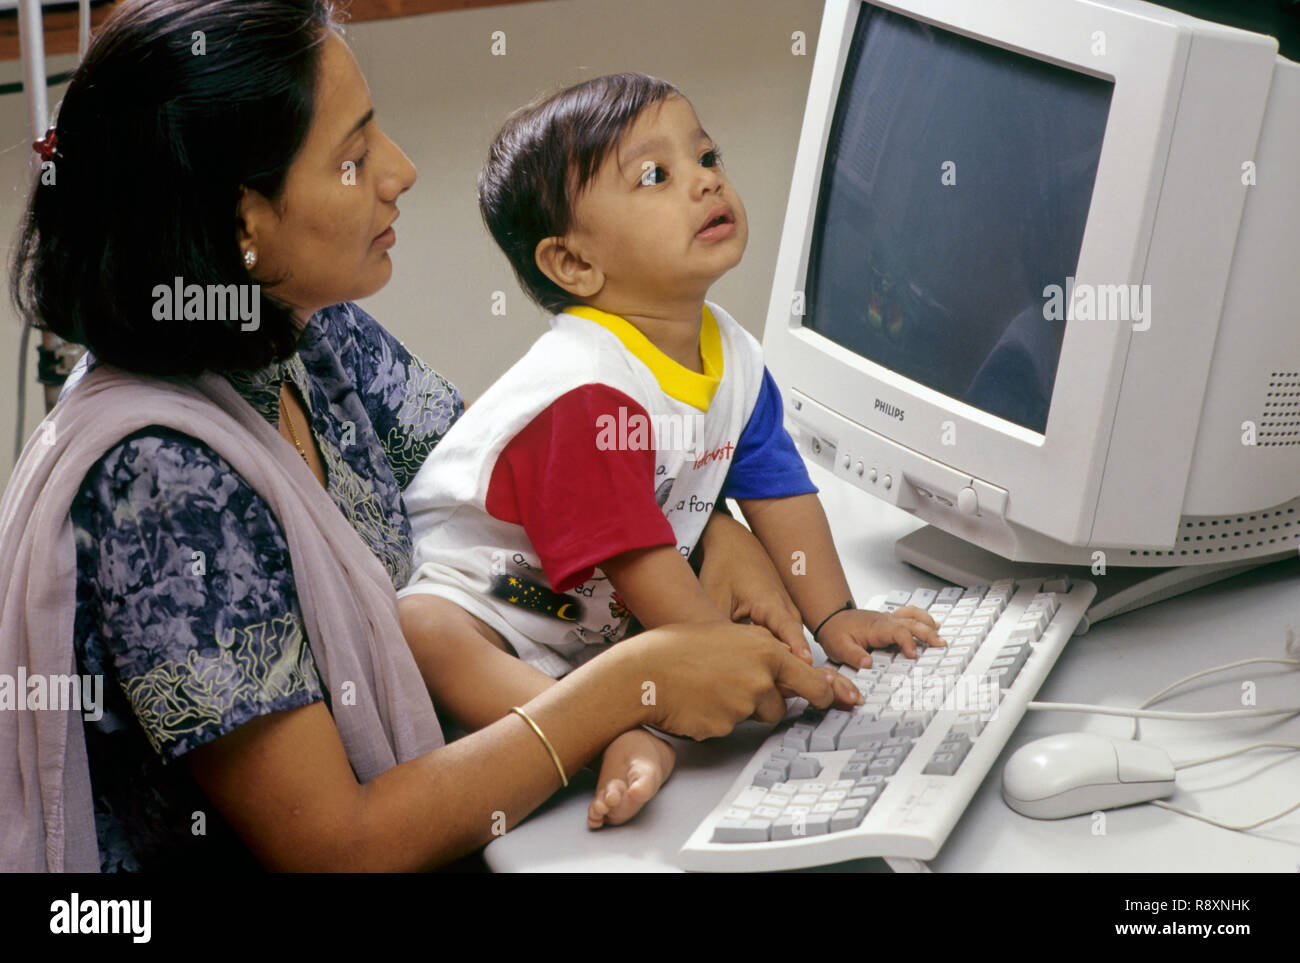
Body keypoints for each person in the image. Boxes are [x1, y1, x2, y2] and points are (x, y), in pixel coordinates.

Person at [0, 0, 839, 873]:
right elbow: (337, 846)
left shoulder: (312, 338)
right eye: (354, 158)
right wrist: (629, 690)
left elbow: (527, 516)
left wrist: (719, 535)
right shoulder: (158, 480)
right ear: (243, 224)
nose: (400, 171)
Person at [397, 74, 944, 829]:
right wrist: (721, 663)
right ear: (574, 265)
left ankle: (613, 709)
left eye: (706, 154)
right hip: (491, 602)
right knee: (425, 632)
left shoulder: (733, 353)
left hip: (595, 619)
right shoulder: (585, 391)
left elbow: (778, 489)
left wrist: (836, 616)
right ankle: (601, 735)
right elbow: (638, 561)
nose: (704, 179)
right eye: (655, 175)